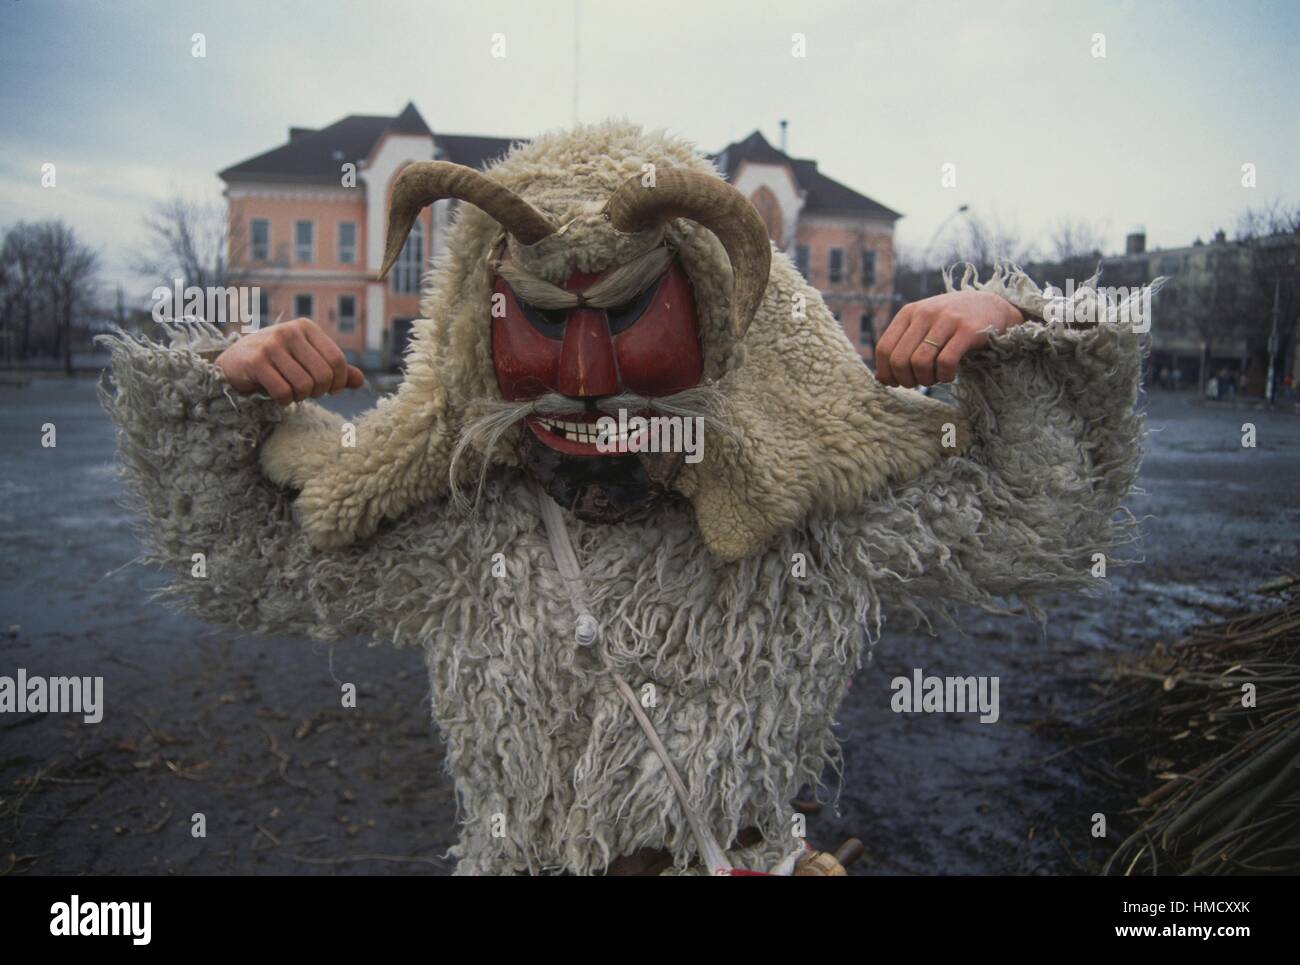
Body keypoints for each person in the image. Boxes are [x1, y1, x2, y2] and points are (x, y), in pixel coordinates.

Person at [101, 122, 1160, 875]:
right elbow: (243, 568)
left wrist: (1018, 326)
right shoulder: (467, 530)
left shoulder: (815, 526)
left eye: (629, 311)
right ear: (481, 317)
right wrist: (218, 387)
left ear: (716, 307)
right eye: (544, 317)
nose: (590, 372)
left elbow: (1041, 527)